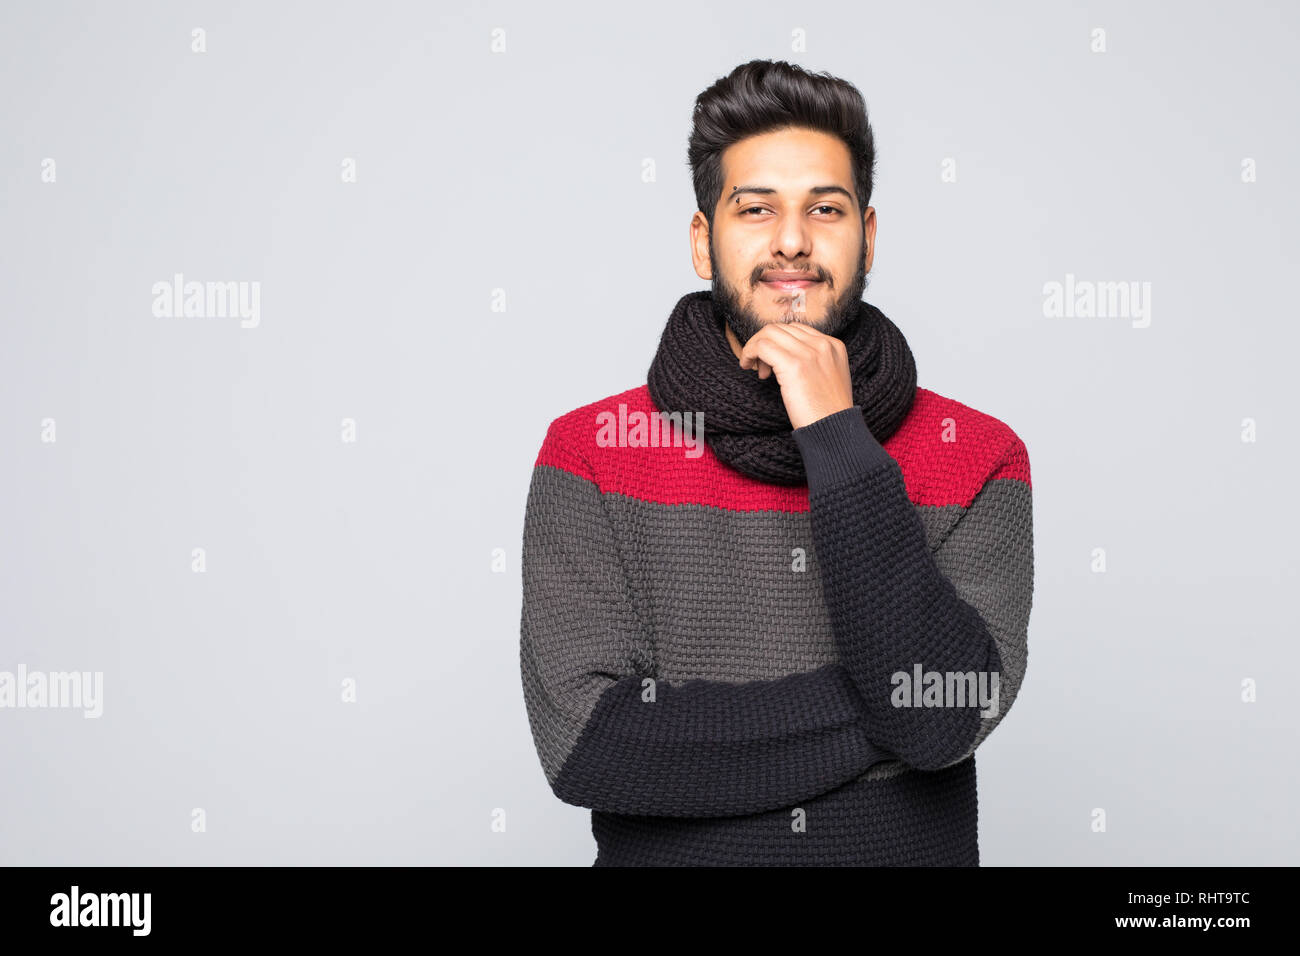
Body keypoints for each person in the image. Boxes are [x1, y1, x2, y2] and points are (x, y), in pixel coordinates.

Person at [518, 58, 1034, 866]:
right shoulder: (593, 453)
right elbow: (590, 746)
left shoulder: (976, 457)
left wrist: (835, 431)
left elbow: (940, 717)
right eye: (755, 209)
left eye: (824, 209)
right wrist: (880, 712)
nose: (791, 240)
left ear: (867, 236)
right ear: (703, 241)